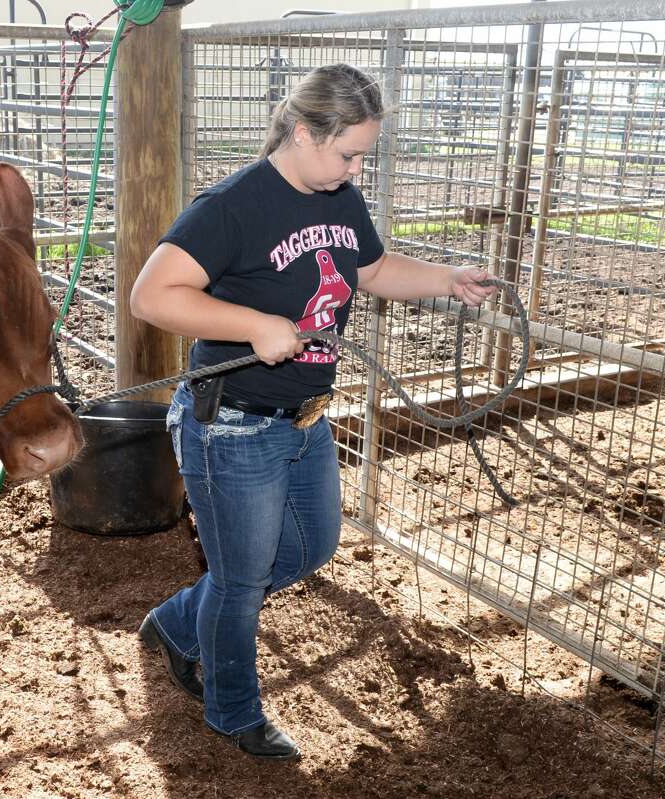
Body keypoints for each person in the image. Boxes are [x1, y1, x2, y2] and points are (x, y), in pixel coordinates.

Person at [129, 63, 499, 760]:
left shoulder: (338, 194)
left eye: (362, 153)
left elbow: (371, 269)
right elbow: (151, 295)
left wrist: (447, 281)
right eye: (348, 152)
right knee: (241, 581)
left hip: (304, 416)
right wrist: (252, 324)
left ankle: (179, 620)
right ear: (303, 133)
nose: (356, 167)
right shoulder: (232, 206)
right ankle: (231, 708)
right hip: (231, 425)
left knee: (310, 546)